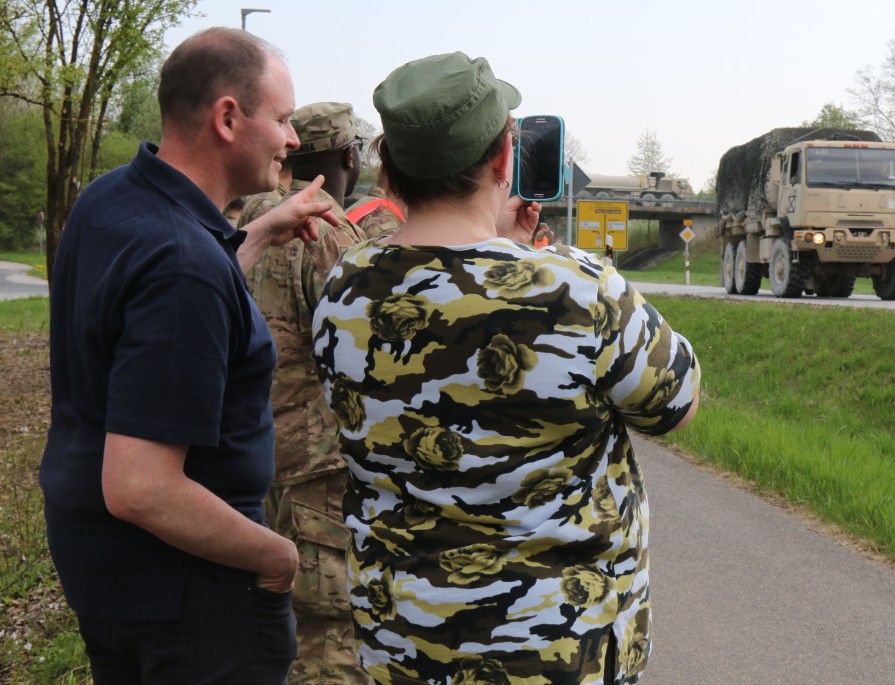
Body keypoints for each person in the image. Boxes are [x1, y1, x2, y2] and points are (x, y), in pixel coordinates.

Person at [311, 52, 701, 685]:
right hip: (559, 654)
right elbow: (676, 407)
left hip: (403, 650)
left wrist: (506, 251)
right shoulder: (579, 290)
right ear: (502, 160)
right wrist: (524, 258)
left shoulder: (343, 291)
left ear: (390, 169)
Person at [40, 27, 340, 684]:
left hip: (110, 578)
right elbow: (142, 487)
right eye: (284, 119)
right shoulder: (185, 264)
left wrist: (258, 230)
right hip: (190, 599)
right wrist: (276, 554)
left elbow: (167, 298)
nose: (293, 140)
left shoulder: (111, 199)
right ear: (228, 118)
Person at [242, 101, 371, 685]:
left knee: (275, 626)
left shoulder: (244, 218)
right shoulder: (322, 227)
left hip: (251, 465)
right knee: (328, 642)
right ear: (350, 155)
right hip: (319, 475)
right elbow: (369, 351)